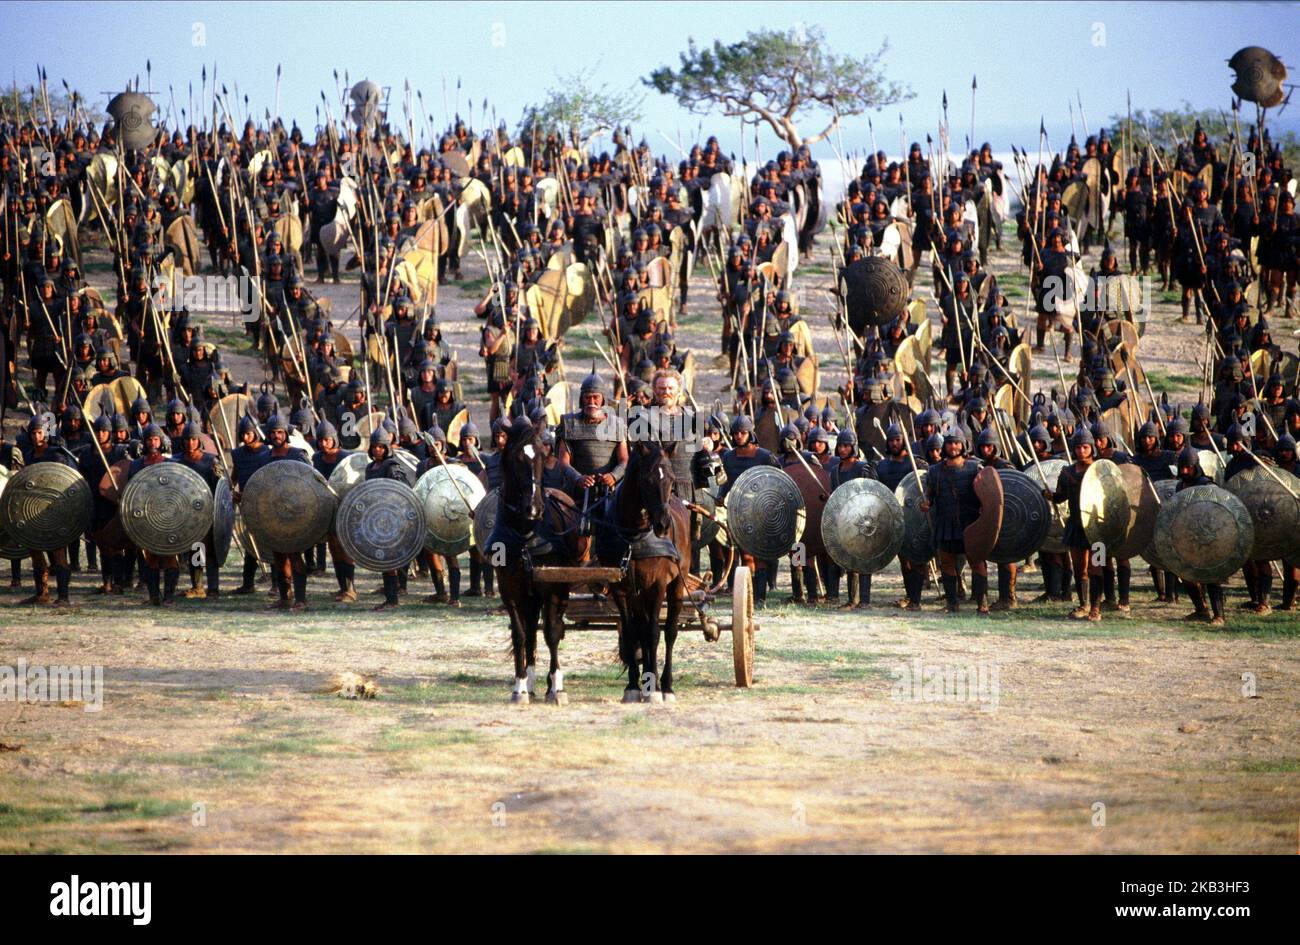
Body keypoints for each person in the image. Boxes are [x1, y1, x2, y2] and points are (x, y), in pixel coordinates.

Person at [920, 430, 989, 613]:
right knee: (947, 562)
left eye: (957, 443)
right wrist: (927, 502)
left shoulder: (976, 468)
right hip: (946, 521)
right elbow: (930, 493)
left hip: (970, 523)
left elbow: (987, 493)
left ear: (963, 445)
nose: (953, 446)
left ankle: (982, 603)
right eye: (950, 443)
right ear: (945, 446)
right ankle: (952, 604)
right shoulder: (934, 471)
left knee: (976, 562)